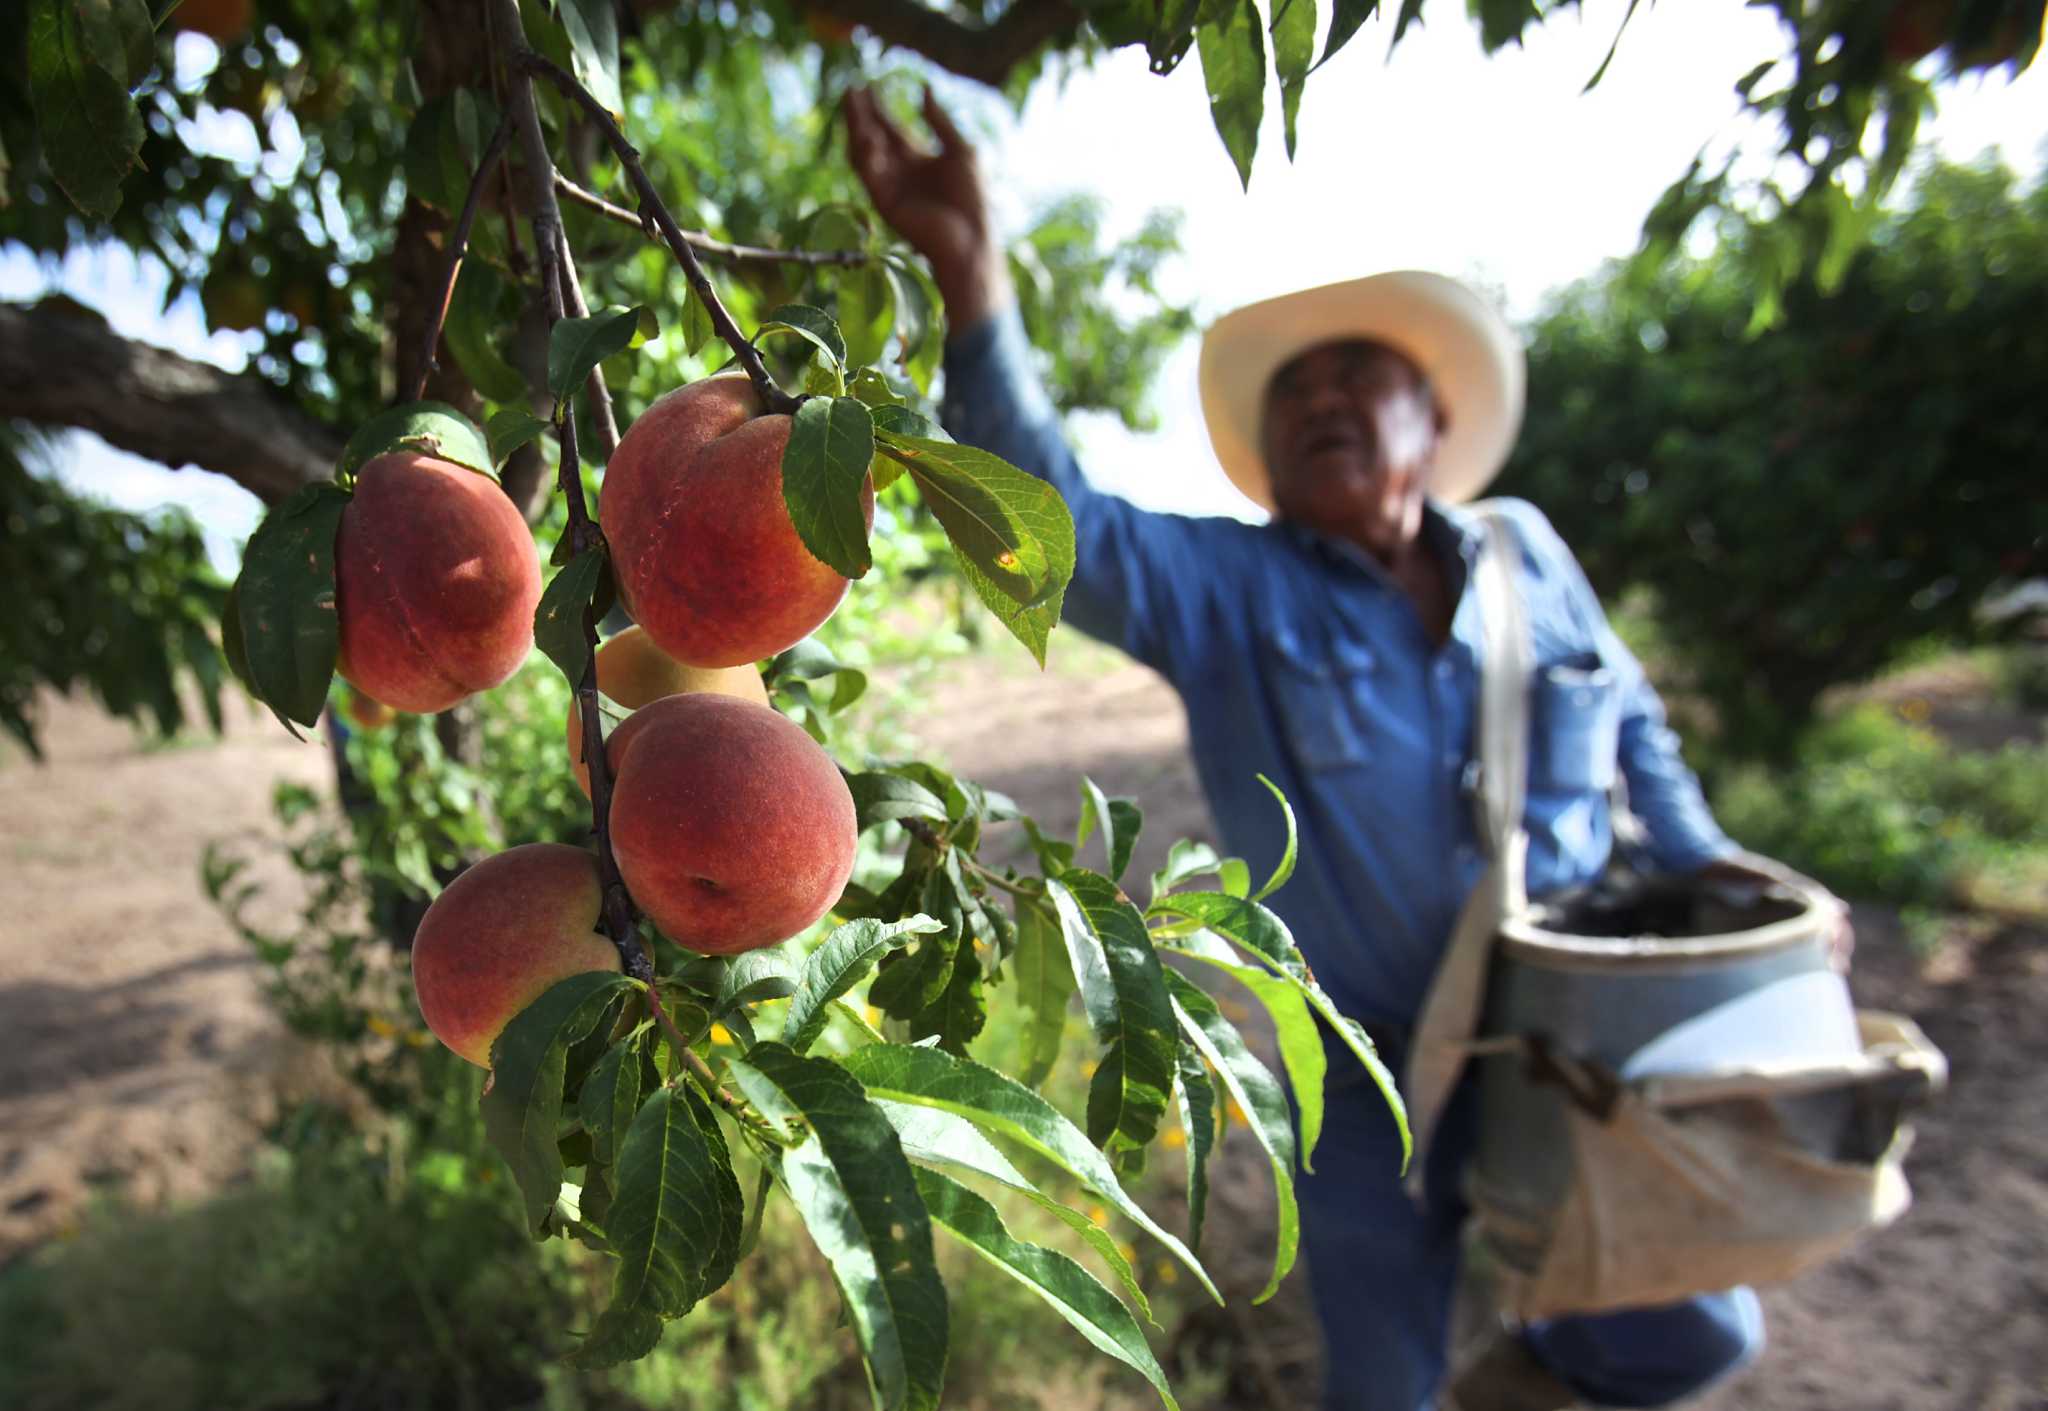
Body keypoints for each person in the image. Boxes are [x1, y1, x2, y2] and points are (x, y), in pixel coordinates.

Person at [845, 87, 1781, 1411]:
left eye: (1359, 376)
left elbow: (1627, 713)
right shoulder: (1231, 592)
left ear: (1435, 423)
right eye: (1294, 395)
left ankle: (1531, 1376)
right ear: (1267, 459)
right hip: (1366, 1068)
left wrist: (1703, 855)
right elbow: (1050, 524)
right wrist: (973, 278)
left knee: (1694, 1329)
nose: (1321, 402)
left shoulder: (1525, 559)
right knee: (1383, 1376)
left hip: (1569, 1032)